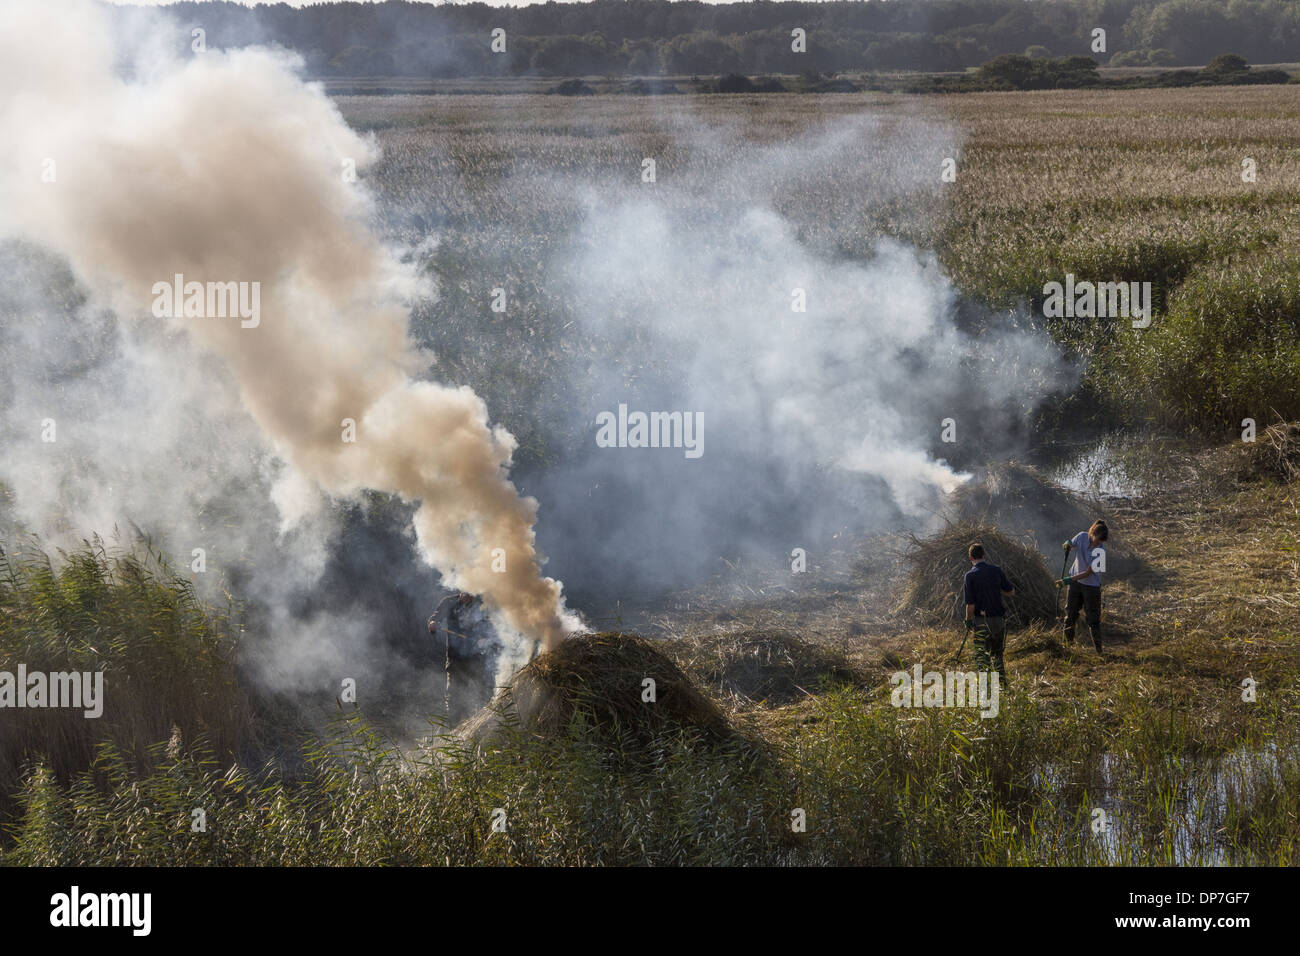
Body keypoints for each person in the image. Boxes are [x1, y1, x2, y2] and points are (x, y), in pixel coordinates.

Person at [963, 542, 1015, 686]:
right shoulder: (996, 570)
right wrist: (997, 589)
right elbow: (1011, 592)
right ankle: (1003, 686)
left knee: (982, 656)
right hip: (999, 620)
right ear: (984, 555)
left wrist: (968, 620)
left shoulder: (970, 576)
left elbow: (971, 605)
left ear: (970, 558)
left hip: (982, 621)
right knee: (997, 655)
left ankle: (986, 689)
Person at [1059, 519, 1108, 654]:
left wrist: (1068, 580)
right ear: (1092, 533)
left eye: (1101, 541)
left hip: (1091, 587)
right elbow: (1071, 543)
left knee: (1093, 620)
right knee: (1070, 616)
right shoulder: (1081, 536)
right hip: (1075, 585)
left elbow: (1087, 573)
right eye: (1097, 540)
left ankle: (1099, 651)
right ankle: (1067, 646)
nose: (1099, 543)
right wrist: (1067, 544)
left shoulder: (1101, 552)